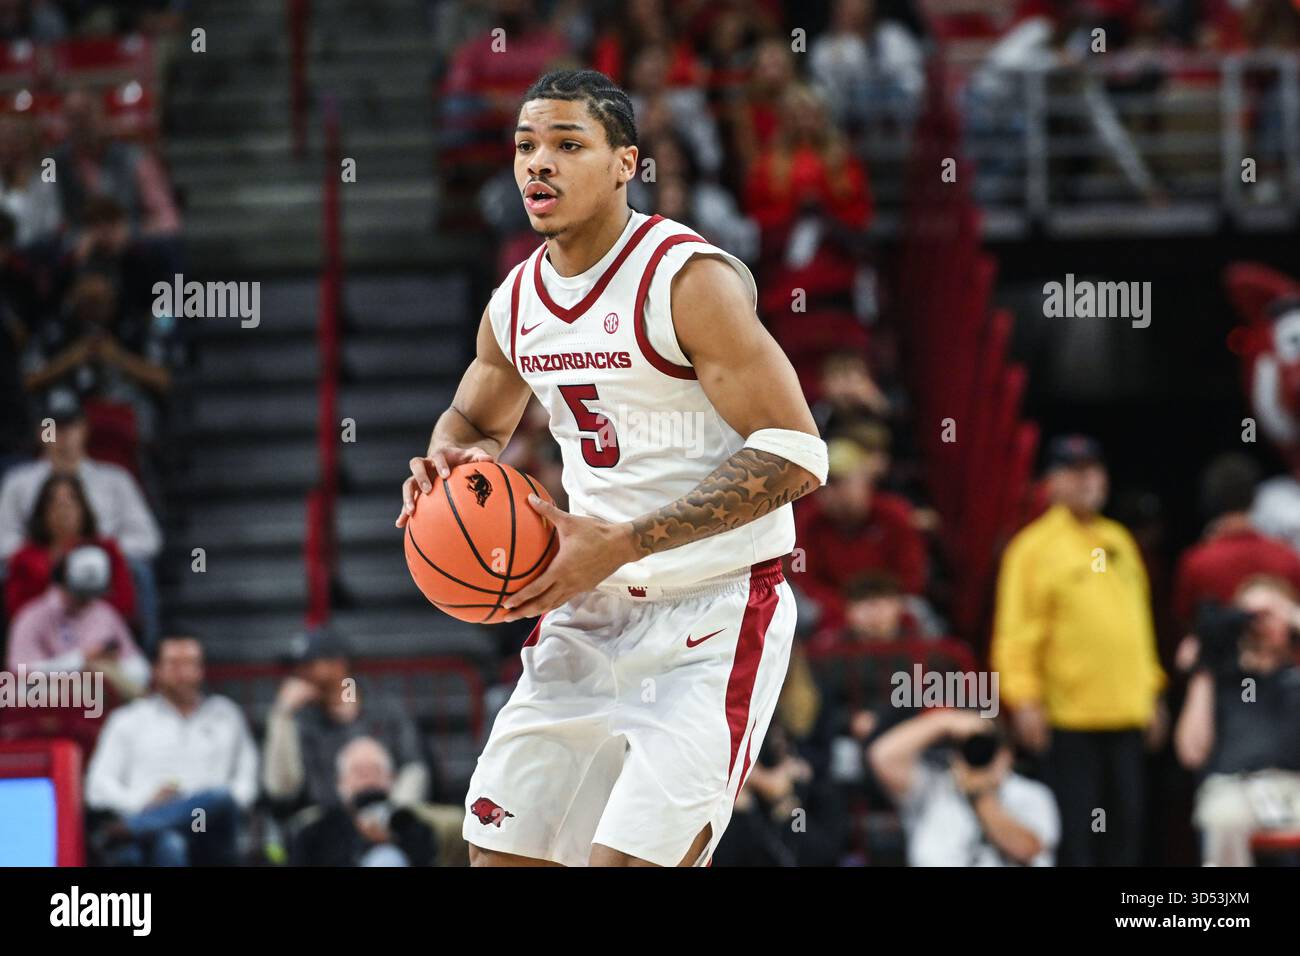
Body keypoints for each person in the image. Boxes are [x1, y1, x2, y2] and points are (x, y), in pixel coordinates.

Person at [396, 69, 827, 867]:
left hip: (714, 613)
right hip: (588, 608)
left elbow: (798, 454)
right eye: (526, 146)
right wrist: (451, 465)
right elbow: (474, 419)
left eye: (567, 144)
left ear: (625, 162)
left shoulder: (686, 280)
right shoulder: (517, 302)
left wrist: (626, 541)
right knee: (500, 856)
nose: (538, 164)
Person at [991, 434, 1167, 866]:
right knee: (1077, 840)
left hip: (1127, 714)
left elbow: (1137, 625)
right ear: (1050, 481)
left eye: (1094, 469)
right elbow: (1015, 633)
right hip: (1069, 721)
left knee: (1126, 836)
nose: (1088, 479)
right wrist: (1025, 699)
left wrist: (1153, 691)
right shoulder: (1032, 549)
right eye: (1075, 471)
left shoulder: (1119, 540)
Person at [84, 636, 258, 866]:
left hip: (207, 824)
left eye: (191, 664)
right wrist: (143, 802)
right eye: (175, 664)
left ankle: (136, 827)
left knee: (219, 797)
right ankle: (152, 823)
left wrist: (195, 805)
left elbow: (247, 783)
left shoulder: (226, 714)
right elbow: (97, 787)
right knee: (170, 841)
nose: (184, 673)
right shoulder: (128, 720)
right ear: (156, 670)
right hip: (151, 824)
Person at [1174, 577, 1300, 866]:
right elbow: (1191, 753)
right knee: (1223, 816)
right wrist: (1205, 665)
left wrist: (1293, 621)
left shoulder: (1294, 675)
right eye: (1251, 615)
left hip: (1294, 785)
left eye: (1270, 615)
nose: (1260, 624)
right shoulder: (1220, 678)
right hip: (1235, 787)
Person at [262, 628, 430, 811]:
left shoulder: (385, 710)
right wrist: (282, 715)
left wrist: (392, 816)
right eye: (296, 668)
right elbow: (281, 789)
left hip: (390, 815)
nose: (300, 674)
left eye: (309, 665)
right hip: (326, 823)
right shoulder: (301, 721)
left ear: (339, 664)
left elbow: (414, 768)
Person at [869, 708, 1060, 866]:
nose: (979, 757)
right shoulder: (935, 785)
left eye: (987, 749)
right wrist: (945, 722)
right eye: (970, 748)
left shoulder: (1031, 794)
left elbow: (1026, 850)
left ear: (1007, 754)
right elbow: (882, 757)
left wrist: (979, 794)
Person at [793, 436, 927, 631]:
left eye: (840, 483)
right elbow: (803, 579)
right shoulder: (808, 520)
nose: (830, 492)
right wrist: (847, 610)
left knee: (921, 613)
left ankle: (916, 661)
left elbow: (912, 576)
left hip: (889, 605)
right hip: (833, 609)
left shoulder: (894, 515)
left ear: (865, 481)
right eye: (823, 485)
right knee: (796, 609)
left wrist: (883, 608)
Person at [1172, 453, 1300, 630]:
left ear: (1211, 499)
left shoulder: (1196, 563)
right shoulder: (1288, 557)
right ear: (1254, 497)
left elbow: (1185, 622)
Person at [6, 542, 148, 701]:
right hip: (48, 697)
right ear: (62, 582)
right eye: (80, 595)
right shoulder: (32, 616)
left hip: (101, 694)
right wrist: (81, 660)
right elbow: (18, 675)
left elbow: (139, 669)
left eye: (92, 595)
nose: (86, 602)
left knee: (105, 675)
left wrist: (108, 663)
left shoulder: (105, 613)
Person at [4, 471, 136, 623]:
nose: (64, 509)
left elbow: (125, 605)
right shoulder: (24, 558)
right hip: (44, 635)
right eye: (55, 502)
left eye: (71, 500)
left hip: (99, 633)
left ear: (83, 507)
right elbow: (17, 611)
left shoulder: (107, 550)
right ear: (43, 511)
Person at [290, 737, 440, 867]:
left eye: (376, 770)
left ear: (391, 780)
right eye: (358, 772)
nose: (368, 778)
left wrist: (390, 840)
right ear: (340, 782)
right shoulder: (315, 833)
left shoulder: (412, 826)